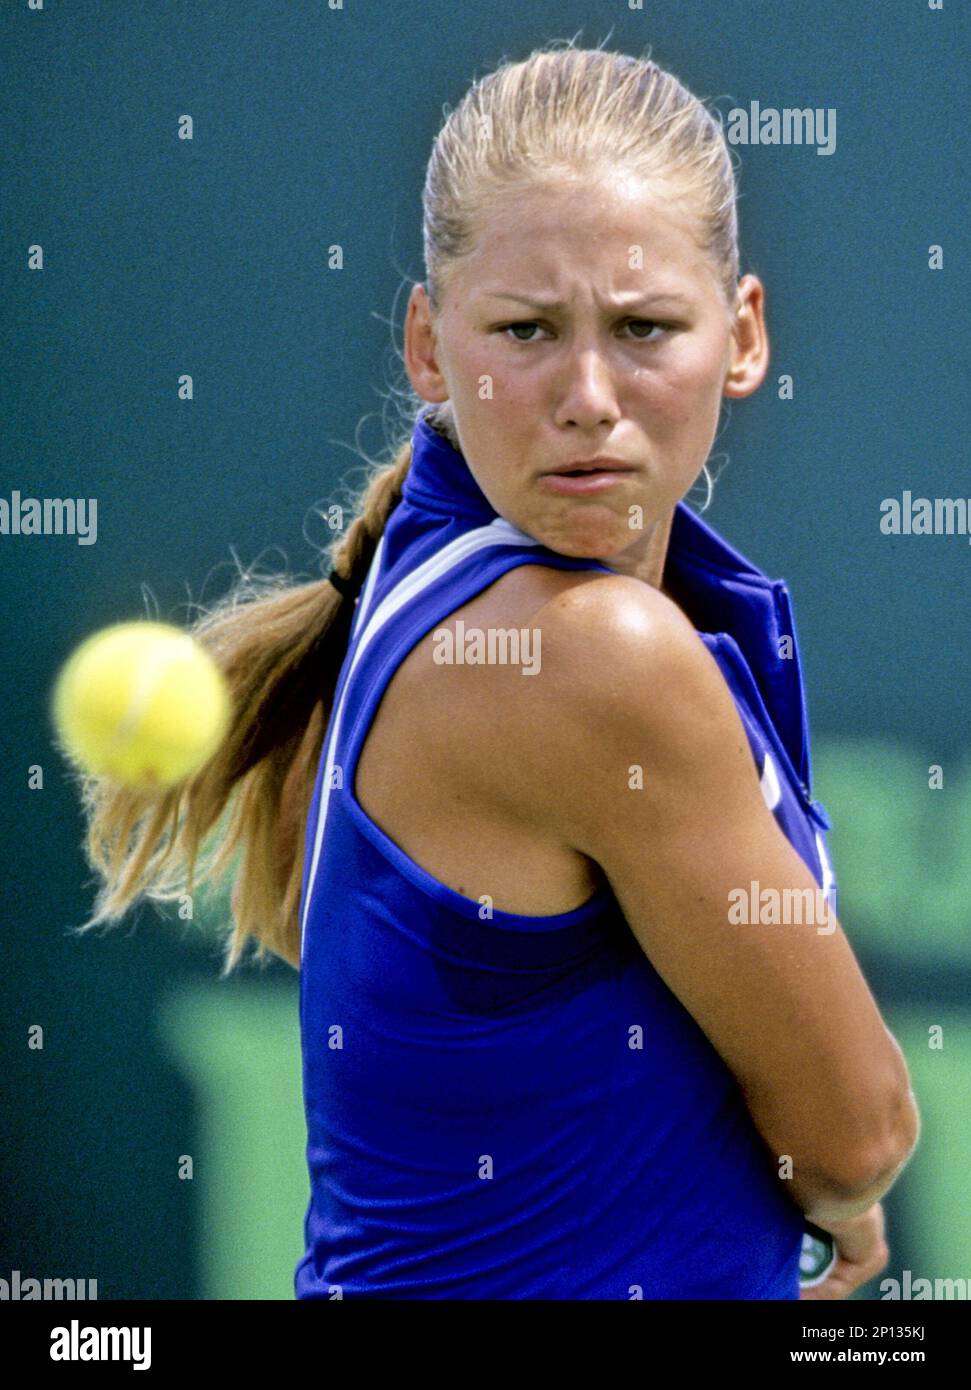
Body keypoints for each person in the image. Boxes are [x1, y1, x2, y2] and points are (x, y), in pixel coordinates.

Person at [74, 40, 919, 1299]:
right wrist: (831, 1188)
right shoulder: (592, 657)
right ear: (426, 346)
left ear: (741, 337)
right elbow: (861, 1133)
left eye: (643, 328)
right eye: (525, 331)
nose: (587, 393)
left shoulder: (451, 598)